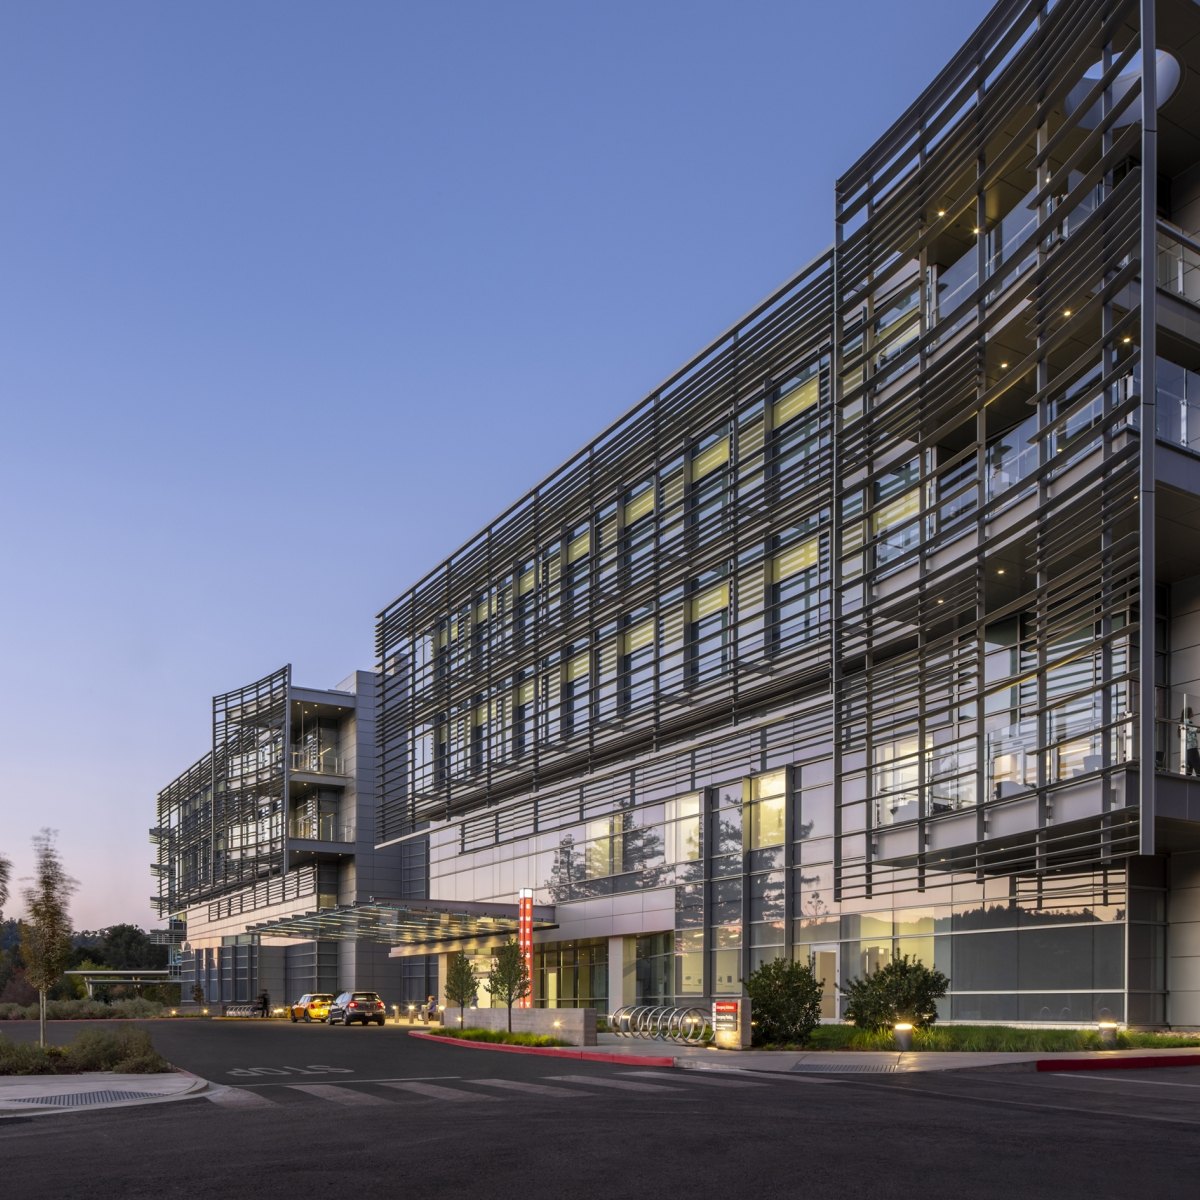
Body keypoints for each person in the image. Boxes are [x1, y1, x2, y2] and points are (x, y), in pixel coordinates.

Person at [1184, 708, 1200, 777]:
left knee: (1189, 769)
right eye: (1192, 711)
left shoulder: (1185, 722)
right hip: (1192, 748)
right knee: (1198, 767)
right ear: (1189, 713)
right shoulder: (1187, 721)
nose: (1193, 712)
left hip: (1188, 748)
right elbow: (1195, 730)